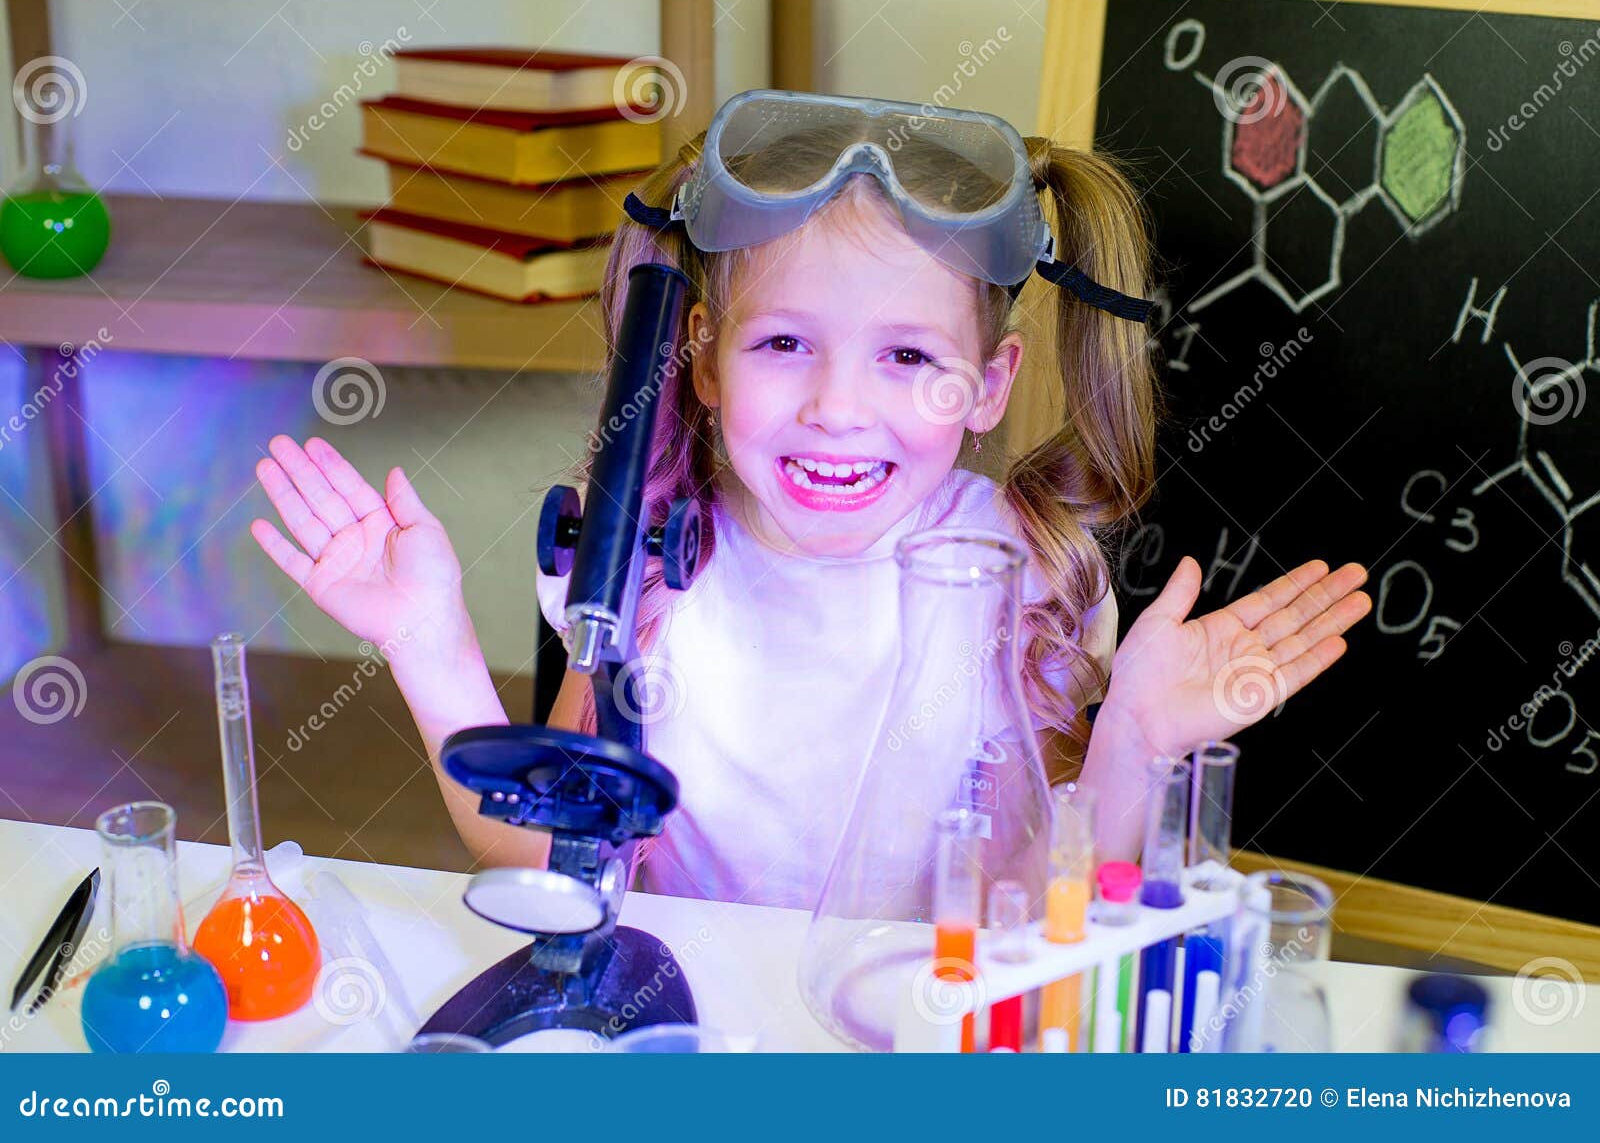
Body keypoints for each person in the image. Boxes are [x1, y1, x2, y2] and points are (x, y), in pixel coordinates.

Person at [251, 91, 1370, 911]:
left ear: (986, 388)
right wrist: (427, 642)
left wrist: (1130, 737)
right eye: (785, 342)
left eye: (903, 356)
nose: (838, 407)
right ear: (700, 360)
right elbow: (544, 861)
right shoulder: (648, 564)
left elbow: (1041, 913)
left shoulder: (1018, 573)